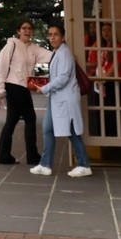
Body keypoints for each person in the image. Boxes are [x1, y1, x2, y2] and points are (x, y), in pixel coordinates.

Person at [29, 23, 92, 177]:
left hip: (65, 98)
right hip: (57, 98)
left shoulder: (64, 53)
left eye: (56, 34)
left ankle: (84, 164)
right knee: (48, 129)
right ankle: (45, 164)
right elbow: (51, 74)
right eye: (50, 34)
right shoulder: (57, 52)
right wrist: (39, 82)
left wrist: (44, 88)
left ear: (63, 37)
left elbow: (63, 78)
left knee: (71, 131)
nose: (52, 37)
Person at [0, 20, 52, 165]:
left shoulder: (34, 48)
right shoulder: (11, 45)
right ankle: (29, 156)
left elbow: (48, 57)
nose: (27, 31)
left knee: (15, 121)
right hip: (13, 86)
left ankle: (6, 155)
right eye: (24, 28)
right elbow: (0, 67)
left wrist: (63, 52)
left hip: (24, 87)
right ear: (18, 31)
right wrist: (0, 88)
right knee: (28, 119)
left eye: (30, 28)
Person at [87, 22, 121, 136]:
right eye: (103, 30)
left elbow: (115, 66)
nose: (106, 33)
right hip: (105, 82)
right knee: (106, 112)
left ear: (113, 32)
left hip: (116, 82)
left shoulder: (118, 47)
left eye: (108, 30)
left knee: (114, 112)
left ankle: (119, 138)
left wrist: (102, 80)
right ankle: (109, 137)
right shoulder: (104, 47)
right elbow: (101, 64)